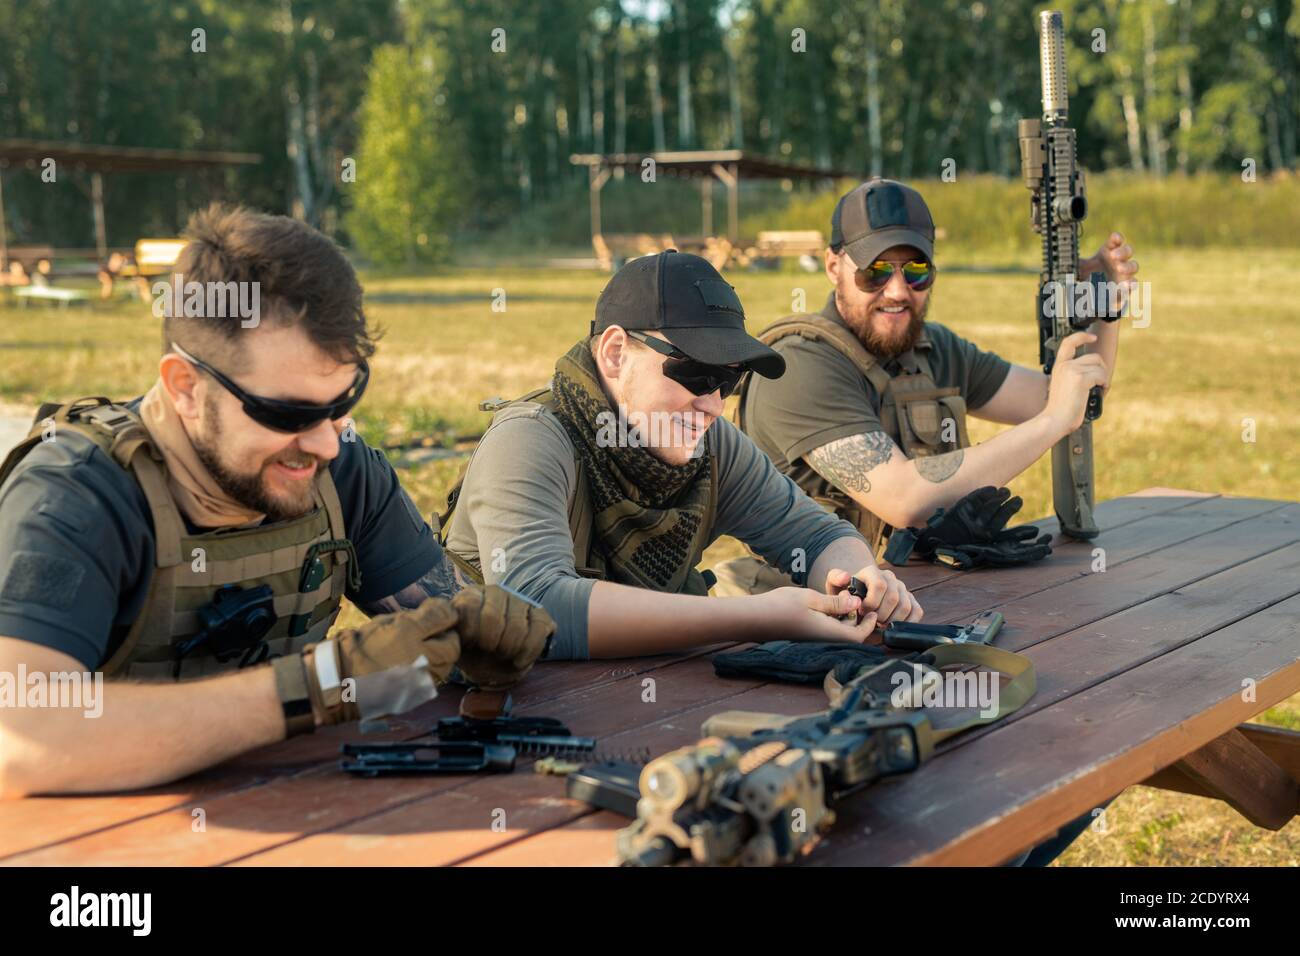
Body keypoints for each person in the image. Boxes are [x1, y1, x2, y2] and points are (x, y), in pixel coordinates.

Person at [0, 204, 550, 797]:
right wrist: (318, 689)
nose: (323, 443)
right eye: (288, 413)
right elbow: (23, 741)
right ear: (186, 387)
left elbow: (439, 637)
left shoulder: (344, 473)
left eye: (341, 403)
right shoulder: (73, 497)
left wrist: (481, 647)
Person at [440, 250, 923, 661]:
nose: (712, 403)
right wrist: (753, 616)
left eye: (727, 381)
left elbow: (816, 535)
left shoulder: (710, 446)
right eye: (694, 372)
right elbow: (536, 609)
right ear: (614, 353)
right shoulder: (531, 439)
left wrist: (859, 581)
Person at [727, 178, 1137, 588]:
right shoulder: (800, 364)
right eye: (876, 272)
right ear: (834, 265)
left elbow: (1069, 398)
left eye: (917, 272)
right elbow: (905, 500)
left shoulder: (931, 346)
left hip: (911, 595)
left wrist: (1104, 310)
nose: (897, 291)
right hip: (794, 617)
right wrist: (1051, 422)